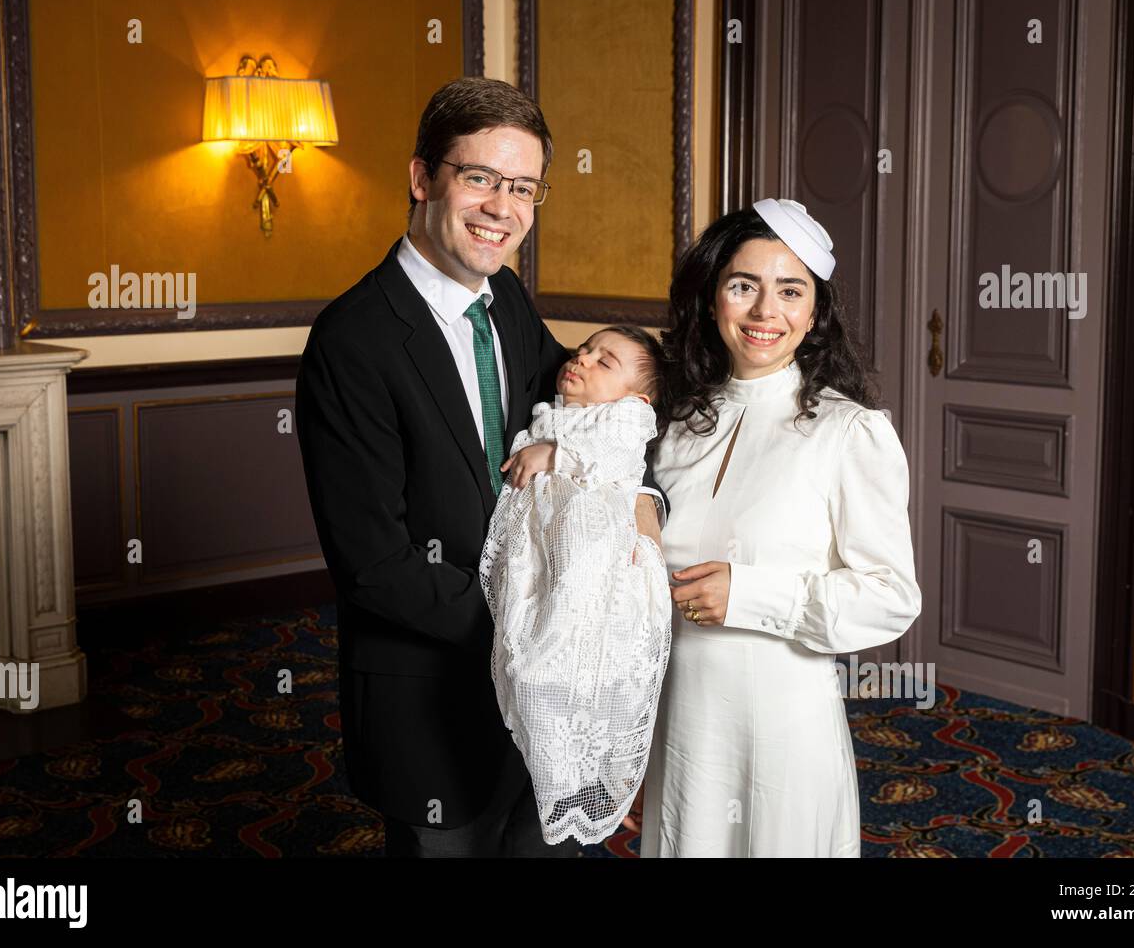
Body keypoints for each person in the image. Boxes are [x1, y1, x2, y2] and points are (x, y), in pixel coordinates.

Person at [294, 77, 668, 858]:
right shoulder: (353, 340)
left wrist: (643, 496)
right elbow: (374, 565)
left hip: (543, 710)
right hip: (432, 704)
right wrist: (539, 622)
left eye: (524, 187)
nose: (504, 207)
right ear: (422, 177)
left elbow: (604, 417)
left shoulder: (508, 304)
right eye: (480, 178)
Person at [638, 199, 921, 857]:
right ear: (713, 299)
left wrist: (753, 595)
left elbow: (891, 595)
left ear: (815, 311)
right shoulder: (676, 421)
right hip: (680, 726)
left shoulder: (851, 431)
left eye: (790, 291)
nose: (766, 312)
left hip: (783, 736)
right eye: (744, 286)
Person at [480, 326, 672, 845]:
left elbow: (622, 458)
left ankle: (573, 785)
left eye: (604, 362)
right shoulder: (550, 413)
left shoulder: (626, 418)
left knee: (562, 659)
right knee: (527, 655)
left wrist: (555, 455)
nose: (582, 360)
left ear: (637, 398)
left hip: (594, 564)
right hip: (546, 559)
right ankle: (556, 779)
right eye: (584, 350)